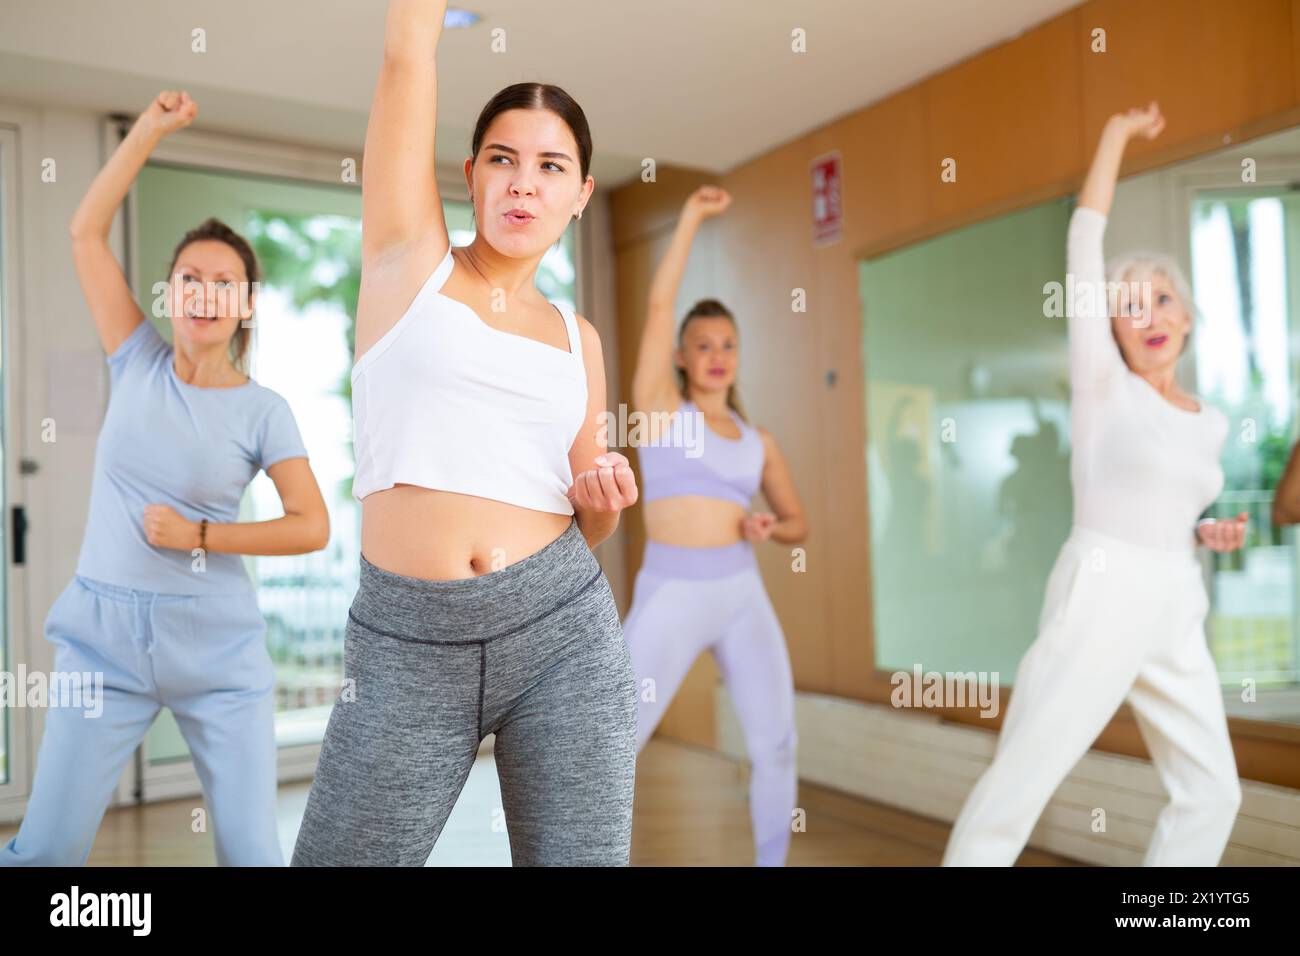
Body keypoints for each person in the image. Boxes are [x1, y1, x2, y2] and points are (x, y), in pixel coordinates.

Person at [290, 0, 639, 867]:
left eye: (552, 165)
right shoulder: (409, 264)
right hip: (407, 644)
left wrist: (606, 500)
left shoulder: (577, 339)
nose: (525, 181)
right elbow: (407, 58)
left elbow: (586, 517)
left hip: (564, 630)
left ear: (580, 193)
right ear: (471, 174)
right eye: (503, 159)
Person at [0, 90, 327, 867]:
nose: (205, 291)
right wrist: (146, 129)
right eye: (189, 276)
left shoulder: (264, 411)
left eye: (223, 281)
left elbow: (310, 523)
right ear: (171, 295)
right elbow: (85, 233)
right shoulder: (136, 359)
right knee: (44, 853)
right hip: (102, 646)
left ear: (245, 304)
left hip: (219, 658)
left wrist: (202, 535)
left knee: (252, 856)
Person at [942, 102, 1245, 867]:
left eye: (1163, 299)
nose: (1148, 313)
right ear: (1107, 328)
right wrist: (1114, 134)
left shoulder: (1210, 419)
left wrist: (1210, 532)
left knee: (1214, 789)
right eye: (1128, 304)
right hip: (1103, 588)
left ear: (1189, 318)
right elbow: (1085, 238)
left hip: (1177, 599)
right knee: (1023, 777)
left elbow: (1179, 506)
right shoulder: (1104, 385)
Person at [622, 185, 808, 866]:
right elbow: (657, 303)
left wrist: (771, 527)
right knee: (612, 740)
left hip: (740, 595)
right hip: (672, 592)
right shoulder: (660, 411)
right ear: (680, 356)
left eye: (728, 343)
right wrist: (691, 217)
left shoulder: (760, 440)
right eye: (702, 345)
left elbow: (798, 523)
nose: (717, 354)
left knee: (777, 743)